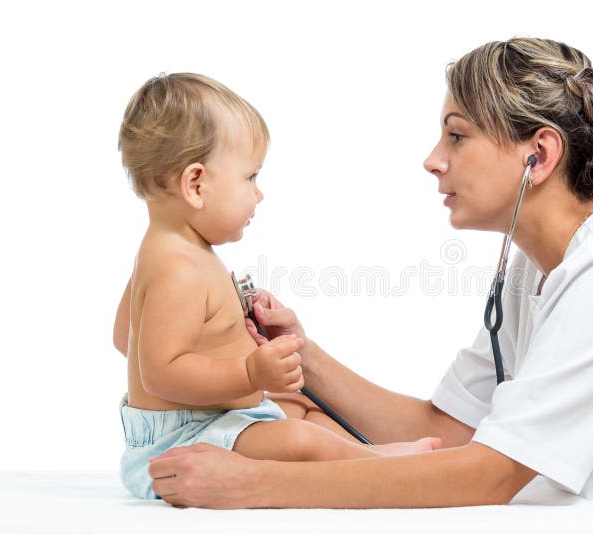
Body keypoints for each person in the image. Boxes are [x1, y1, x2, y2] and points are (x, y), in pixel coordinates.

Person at [144, 40, 593, 533]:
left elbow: (492, 475)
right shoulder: (533, 260)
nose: (433, 158)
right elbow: (449, 430)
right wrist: (301, 358)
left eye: (458, 135)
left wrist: (250, 486)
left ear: (537, 155)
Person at [112, 73, 441, 500]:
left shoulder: (167, 253)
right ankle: (385, 465)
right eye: (250, 177)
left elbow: (126, 339)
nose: (259, 194)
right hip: (178, 445)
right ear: (196, 185)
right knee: (299, 440)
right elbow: (158, 373)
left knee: (303, 410)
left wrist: (227, 335)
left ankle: (365, 450)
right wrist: (248, 371)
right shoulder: (179, 267)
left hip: (210, 421)